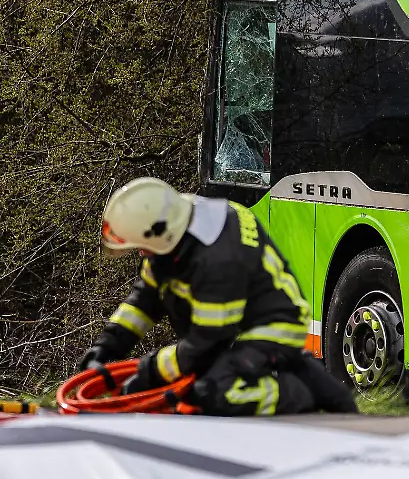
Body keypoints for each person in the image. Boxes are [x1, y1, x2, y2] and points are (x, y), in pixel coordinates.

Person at [80, 177, 358, 415]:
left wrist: (151, 369)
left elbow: (208, 342)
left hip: (274, 327)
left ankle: (302, 392)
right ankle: (298, 372)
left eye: (141, 247)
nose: (141, 253)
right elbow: (144, 301)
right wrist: (105, 351)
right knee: (178, 386)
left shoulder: (218, 257)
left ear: (160, 234)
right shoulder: (175, 227)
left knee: (215, 393)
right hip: (229, 333)